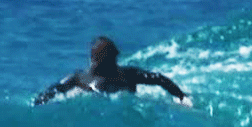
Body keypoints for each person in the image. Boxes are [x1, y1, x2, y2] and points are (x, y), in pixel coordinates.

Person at [33, 36, 190, 106]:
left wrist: (181, 97)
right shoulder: (80, 78)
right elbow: (57, 88)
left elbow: (158, 79)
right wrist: (40, 101)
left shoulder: (128, 74)